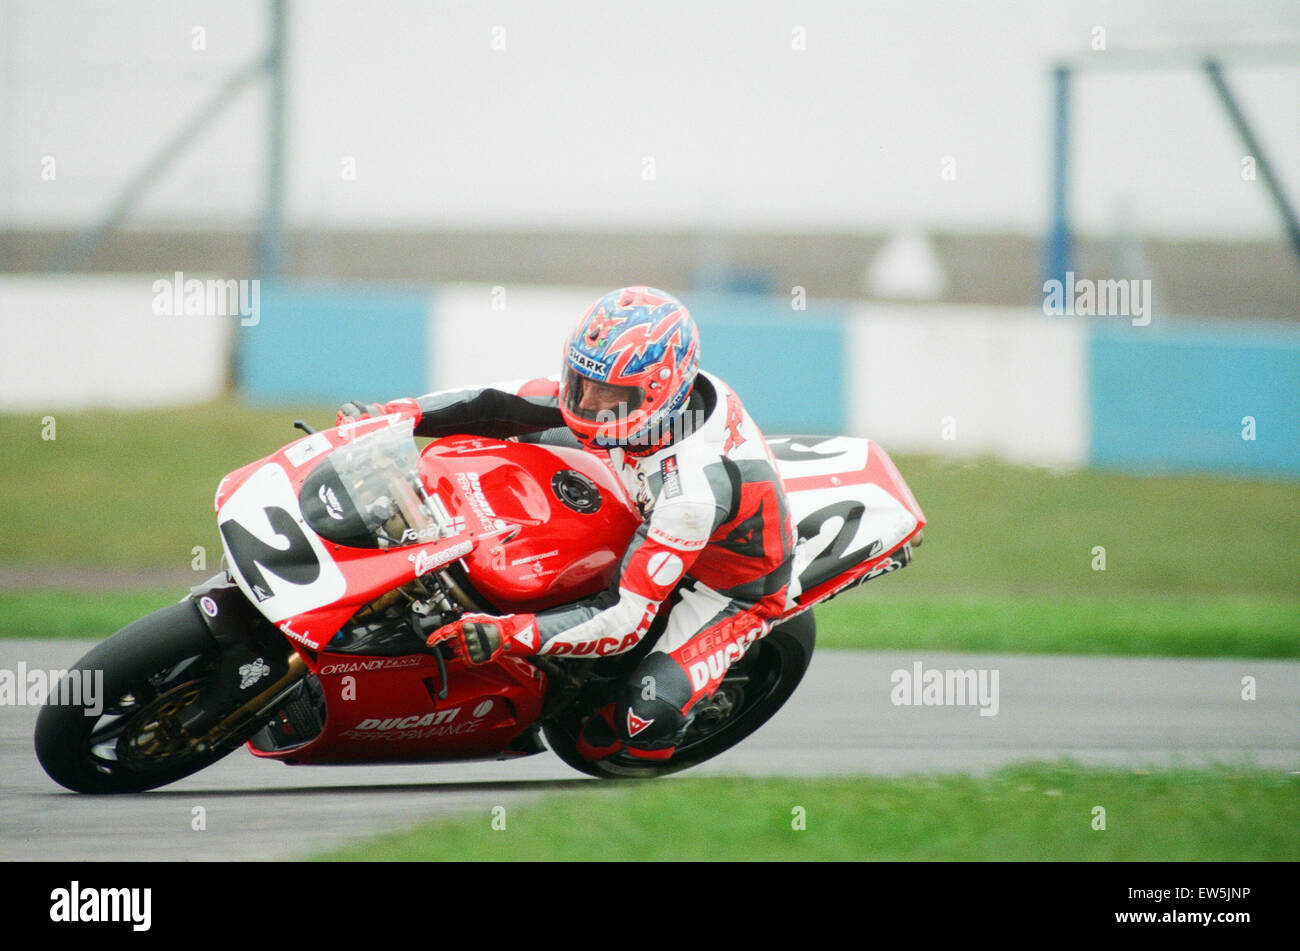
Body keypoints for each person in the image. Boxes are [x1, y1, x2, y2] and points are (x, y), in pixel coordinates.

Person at [339, 286, 794, 761]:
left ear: (660, 393)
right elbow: (495, 403)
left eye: (609, 394)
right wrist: (387, 417)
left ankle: (641, 762)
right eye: (581, 382)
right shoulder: (637, 402)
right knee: (521, 424)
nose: (588, 400)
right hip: (639, 476)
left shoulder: (690, 493)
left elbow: (625, 619)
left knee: (641, 721)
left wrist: (505, 634)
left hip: (727, 588)